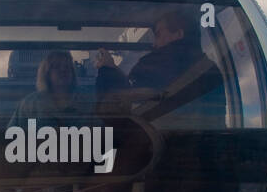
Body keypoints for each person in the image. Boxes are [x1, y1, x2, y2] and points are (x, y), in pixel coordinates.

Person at [93, 8, 223, 123]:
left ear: (179, 34)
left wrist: (107, 69)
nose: (154, 44)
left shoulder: (156, 64)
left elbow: (119, 106)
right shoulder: (209, 69)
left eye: (158, 34)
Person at [11, 50, 82, 125]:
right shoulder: (30, 105)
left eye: (67, 66)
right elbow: (12, 133)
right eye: (56, 66)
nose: (63, 70)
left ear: (73, 72)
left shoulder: (87, 101)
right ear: (46, 73)